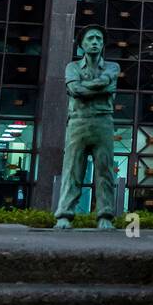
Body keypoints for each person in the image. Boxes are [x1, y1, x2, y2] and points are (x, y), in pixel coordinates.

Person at [54, 26, 120, 230]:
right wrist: (100, 87)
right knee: (72, 169)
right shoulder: (72, 67)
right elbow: (74, 89)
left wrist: (85, 88)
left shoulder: (112, 66)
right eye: (90, 38)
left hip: (103, 121)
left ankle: (105, 216)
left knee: (105, 171)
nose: (95, 42)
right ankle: (64, 214)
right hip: (78, 122)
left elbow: (105, 83)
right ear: (81, 44)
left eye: (99, 39)